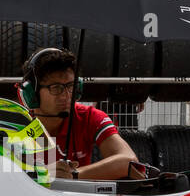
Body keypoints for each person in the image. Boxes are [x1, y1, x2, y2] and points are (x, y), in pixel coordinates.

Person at [19, 48, 137, 180]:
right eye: (56, 88)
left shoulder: (89, 117)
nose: (67, 95)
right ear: (31, 94)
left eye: (70, 86)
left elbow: (130, 161)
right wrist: (42, 174)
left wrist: (73, 175)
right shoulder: (16, 124)